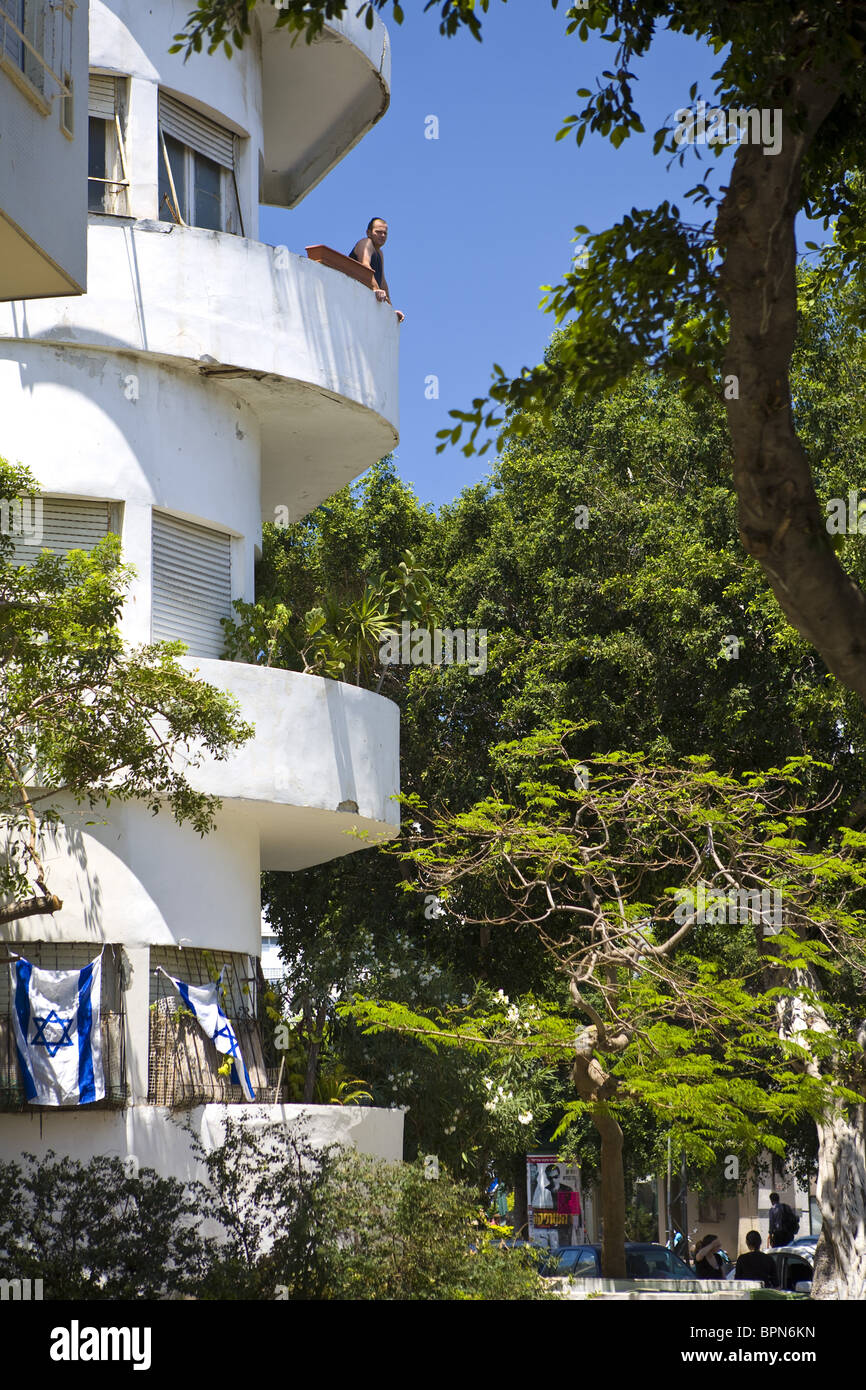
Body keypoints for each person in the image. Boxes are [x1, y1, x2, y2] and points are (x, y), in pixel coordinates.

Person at [348, 218, 404, 321]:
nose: (382, 236)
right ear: (368, 233)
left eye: (385, 233)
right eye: (378, 232)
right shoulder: (366, 243)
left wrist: (390, 309)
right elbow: (365, 265)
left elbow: (382, 282)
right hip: (353, 295)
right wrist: (375, 289)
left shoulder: (380, 253)